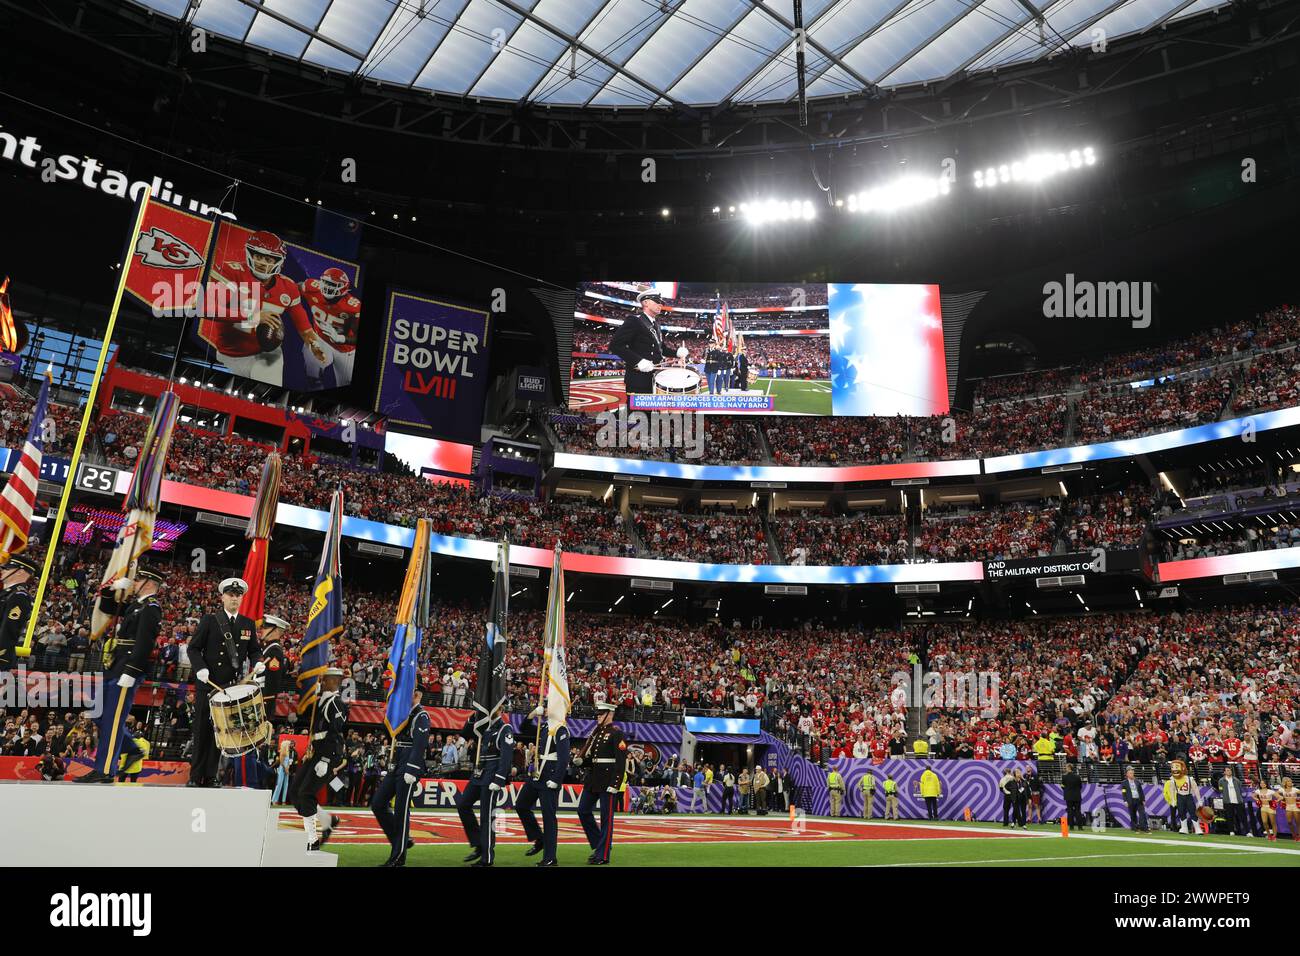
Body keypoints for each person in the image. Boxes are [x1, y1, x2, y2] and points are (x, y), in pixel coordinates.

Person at [79, 567, 164, 784]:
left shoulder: (151, 608)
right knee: (98, 713)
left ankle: (105, 769)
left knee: (112, 720)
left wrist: (132, 671)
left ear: (149, 583)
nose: (134, 583)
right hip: (115, 665)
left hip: (127, 669)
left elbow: (145, 644)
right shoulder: (136, 605)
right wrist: (111, 589)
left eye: (138, 581)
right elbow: (108, 607)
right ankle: (131, 747)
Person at [186, 577, 263, 787]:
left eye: (238, 596)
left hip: (229, 688)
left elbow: (254, 650)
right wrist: (200, 668)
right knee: (202, 731)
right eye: (231, 595)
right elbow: (193, 648)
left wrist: (258, 662)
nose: (234, 599)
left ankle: (211, 776)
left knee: (220, 734)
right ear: (223, 597)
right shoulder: (210, 620)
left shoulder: (247, 624)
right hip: (208, 684)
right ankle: (195, 776)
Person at [289, 666, 347, 851]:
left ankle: (312, 839)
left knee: (306, 793)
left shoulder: (337, 703)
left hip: (327, 755)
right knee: (295, 791)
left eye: (326, 679)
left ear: (335, 682)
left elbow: (335, 732)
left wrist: (326, 760)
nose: (322, 682)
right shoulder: (321, 701)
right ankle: (327, 820)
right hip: (316, 753)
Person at [371, 686, 429, 867]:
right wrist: (391, 711)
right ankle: (401, 840)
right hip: (397, 761)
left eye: (408, 691)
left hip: (409, 762)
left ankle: (398, 857)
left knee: (402, 810)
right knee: (378, 804)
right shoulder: (402, 713)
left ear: (417, 695)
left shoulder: (421, 715)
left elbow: (420, 744)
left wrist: (412, 769)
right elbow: (388, 733)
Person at [455, 710, 515, 867]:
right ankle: (479, 844)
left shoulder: (504, 728)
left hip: (491, 776)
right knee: (463, 805)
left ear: (499, 709)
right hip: (478, 774)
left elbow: (507, 757)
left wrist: (499, 779)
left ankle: (487, 858)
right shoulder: (482, 726)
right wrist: (475, 715)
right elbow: (466, 733)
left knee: (487, 816)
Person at [515, 706, 571, 867]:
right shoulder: (545, 726)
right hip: (538, 774)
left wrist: (556, 779)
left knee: (548, 817)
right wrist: (532, 713)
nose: (546, 709)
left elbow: (564, 757)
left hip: (550, 776)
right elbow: (523, 728)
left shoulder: (561, 729)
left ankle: (551, 857)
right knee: (521, 805)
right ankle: (539, 839)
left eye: (549, 707)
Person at [573, 701, 627, 865]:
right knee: (583, 810)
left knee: (606, 818)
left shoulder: (616, 733)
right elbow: (594, 759)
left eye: (601, 714)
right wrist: (581, 762)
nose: (598, 716)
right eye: (598, 713)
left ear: (610, 715)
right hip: (594, 778)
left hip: (607, 780)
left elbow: (620, 761)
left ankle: (602, 855)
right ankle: (600, 845)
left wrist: (615, 783)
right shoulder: (597, 733)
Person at [610, 290, 667, 395]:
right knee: (638, 411)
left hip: (655, 377)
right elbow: (615, 345)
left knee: (652, 411)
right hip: (638, 378)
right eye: (656, 301)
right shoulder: (634, 320)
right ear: (645, 303)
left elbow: (660, 347)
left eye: (661, 303)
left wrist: (677, 352)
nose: (660, 305)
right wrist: (639, 361)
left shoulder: (656, 325)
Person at [0, 557, 35, 673]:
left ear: (20, 572)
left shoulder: (18, 596)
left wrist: (1, 657)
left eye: (7, 568)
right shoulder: (7, 594)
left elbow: (8, 630)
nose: (2, 571)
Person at [1219, 766, 1247, 836]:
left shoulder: (1236, 780)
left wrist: (1240, 798)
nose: (1229, 772)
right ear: (1224, 772)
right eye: (1227, 770)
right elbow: (1220, 789)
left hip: (1238, 801)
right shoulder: (1221, 781)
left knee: (1242, 816)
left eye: (1230, 770)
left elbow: (1240, 789)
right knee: (1229, 817)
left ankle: (1247, 832)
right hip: (1228, 801)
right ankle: (1231, 831)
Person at [1121, 768, 1149, 832]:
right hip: (1130, 800)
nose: (1132, 774)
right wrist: (1125, 801)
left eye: (1133, 773)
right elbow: (1123, 792)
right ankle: (1134, 826)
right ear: (1127, 774)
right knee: (1133, 815)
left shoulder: (1137, 781)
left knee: (1142, 813)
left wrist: (1143, 800)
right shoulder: (1124, 783)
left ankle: (1144, 827)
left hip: (1138, 800)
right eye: (1130, 773)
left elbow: (1141, 791)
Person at [1061, 763, 1084, 828]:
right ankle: (1080, 826)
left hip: (1068, 796)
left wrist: (1066, 790)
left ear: (1068, 768)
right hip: (1077, 796)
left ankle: (1071, 826)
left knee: (1070, 811)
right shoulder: (1077, 776)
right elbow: (1080, 786)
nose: (1065, 769)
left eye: (1066, 768)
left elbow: (1062, 786)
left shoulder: (1064, 777)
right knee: (1078, 811)